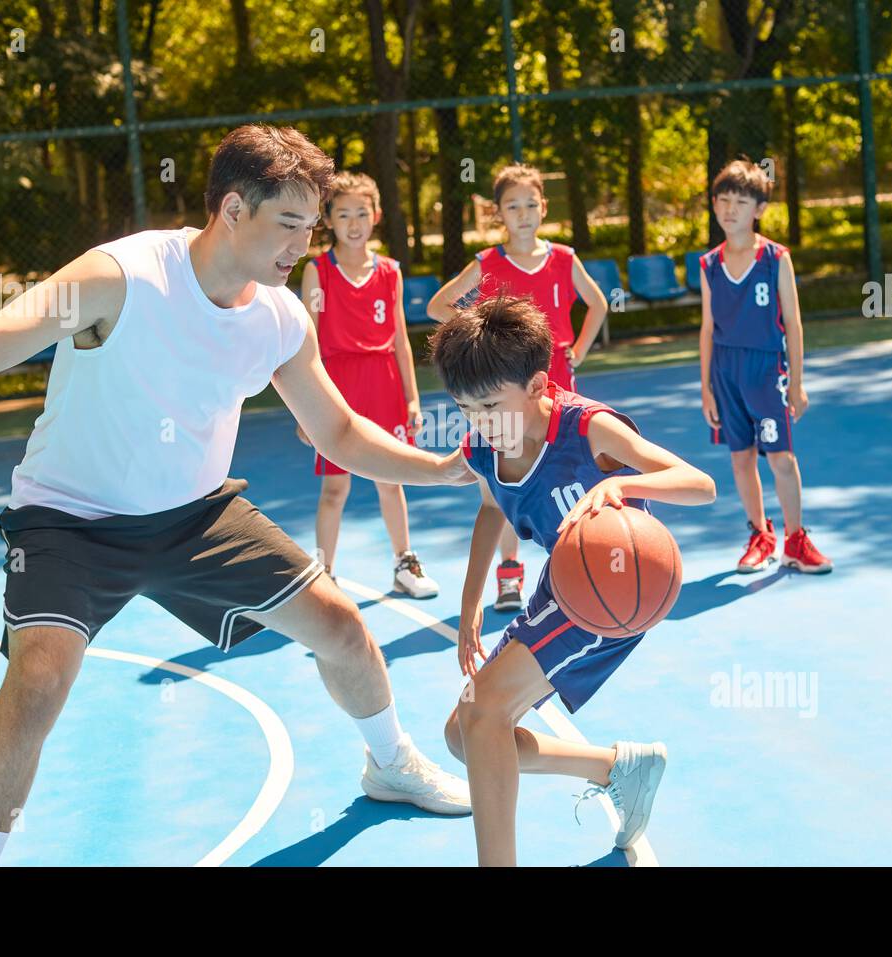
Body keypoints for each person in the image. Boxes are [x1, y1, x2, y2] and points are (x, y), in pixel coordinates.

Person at [0, 124, 474, 867]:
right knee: (38, 679)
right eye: (289, 223)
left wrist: (444, 467)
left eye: (312, 225)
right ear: (232, 210)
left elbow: (342, 432)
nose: (303, 243)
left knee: (343, 627)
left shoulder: (281, 318)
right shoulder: (120, 276)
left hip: (197, 515)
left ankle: (389, 762)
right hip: (70, 519)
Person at [427, 294, 717, 866]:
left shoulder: (589, 429)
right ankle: (617, 769)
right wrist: (469, 604)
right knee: (463, 734)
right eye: (465, 409)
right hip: (563, 588)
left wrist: (625, 486)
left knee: (484, 713)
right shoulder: (487, 444)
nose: (480, 422)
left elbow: (698, 483)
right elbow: (491, 509)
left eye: (490, 405)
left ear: (537, 386)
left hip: (612, 592)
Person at [428, 163, 609, 614]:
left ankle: (581, 562)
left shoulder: (564, 259)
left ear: (543, 208)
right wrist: (485, 341)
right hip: (508, 393)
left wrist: (579, 350)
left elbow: (599, 303)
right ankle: (510, 574)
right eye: (513, 206)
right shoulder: (489, 263)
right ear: (498, 214)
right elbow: (438, 305)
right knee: (506, 484)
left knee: (572, 476)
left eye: (531, 204)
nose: (523, 213)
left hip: (556, 384)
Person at [296, 171, 438, 597]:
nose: (354, 223)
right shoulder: (317, 272)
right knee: (335, 487)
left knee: (390, 480)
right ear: (329, 220)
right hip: (336, 385)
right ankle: (324, 575)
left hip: (384, 383)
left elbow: (400, 340)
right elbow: (305, 344)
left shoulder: (390, 272)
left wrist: (412, 398)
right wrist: (306, 406)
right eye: (343, 214)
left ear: (375, 216)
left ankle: (404, 563)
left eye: (361, 213)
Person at [699, 158, 833, 573]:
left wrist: (797, 384)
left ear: (758, 209)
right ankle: (760, 534)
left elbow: (792, 323)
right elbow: (707, 327)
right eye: (723, 200)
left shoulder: (776, 258)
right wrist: (705, 387)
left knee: (780, 458)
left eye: (741, 201)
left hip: (766, 370)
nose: (730, 209)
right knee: (741, 458)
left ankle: (796, 539)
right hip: (725, 371)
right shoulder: (709, 264)